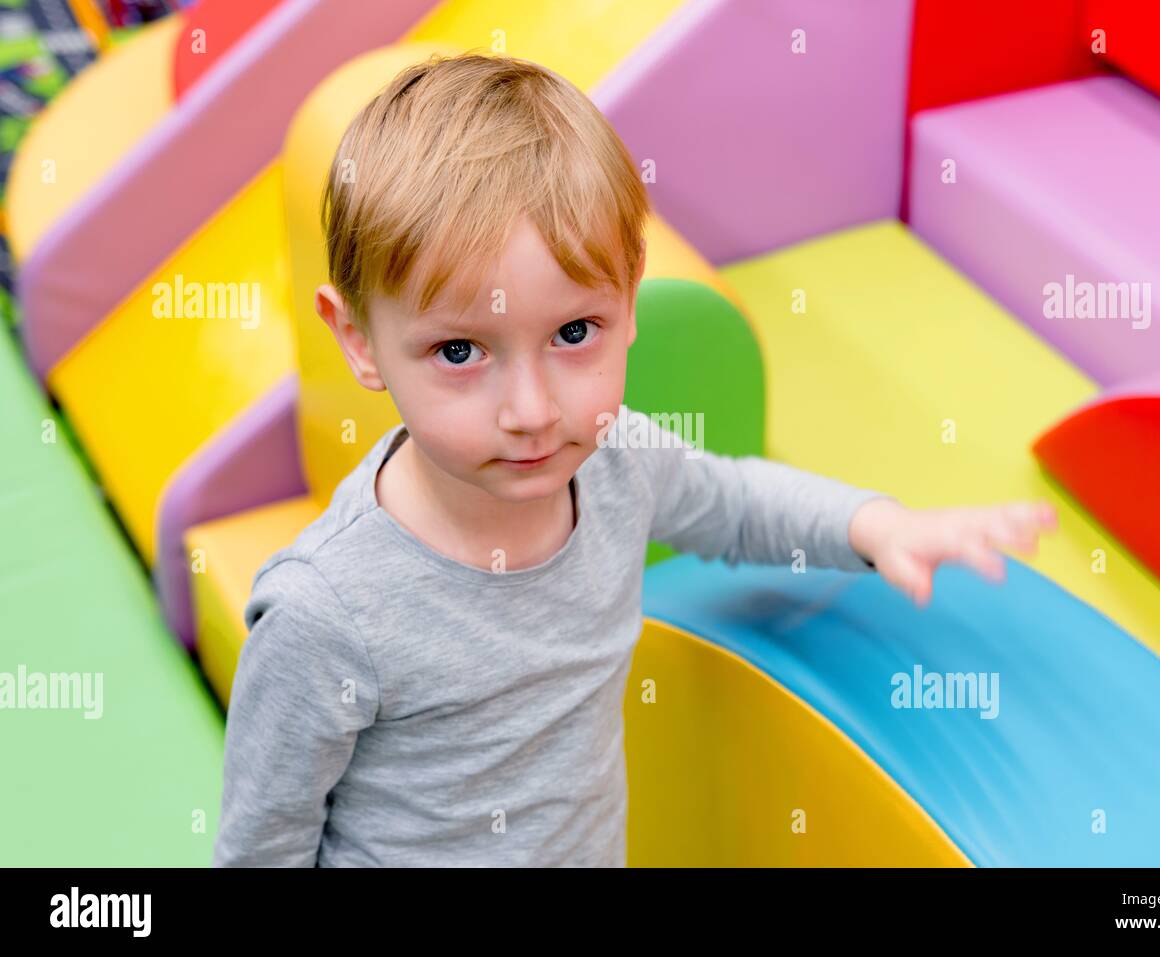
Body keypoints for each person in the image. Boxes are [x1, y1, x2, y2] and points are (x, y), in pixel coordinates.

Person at [212, 52, 1056, 867]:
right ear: (359, 340)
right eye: (462, 351)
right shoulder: (328, 613)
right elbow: (261, 847)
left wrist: (875, 523)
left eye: (575, 334)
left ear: (629, 299)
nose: (533, 412)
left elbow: (735, 503)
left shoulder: (613, 467)